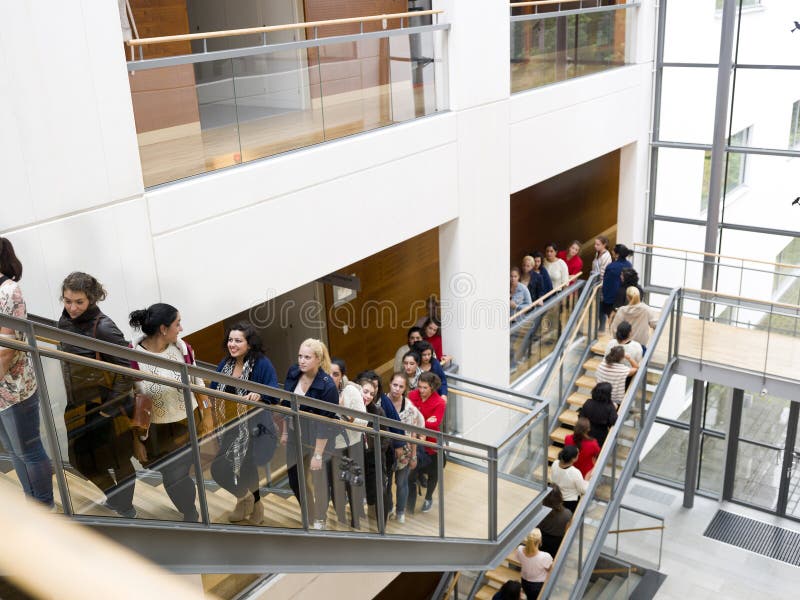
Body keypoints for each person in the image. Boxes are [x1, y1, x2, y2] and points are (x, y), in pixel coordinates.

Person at [58, 272, 136, 517]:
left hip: (107, 405)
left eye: (78, 302)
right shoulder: (64, 321)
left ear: (91, 299)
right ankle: (115, 497)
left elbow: (128, 368)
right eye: (67, 300)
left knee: (119, 458)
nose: (72, 307)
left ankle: (126, 507)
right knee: (79, 460)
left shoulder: (103, 326)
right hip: (78, 404)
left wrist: (109, 407)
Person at [129, 303, 214, 522]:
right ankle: (190, 510)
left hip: (187, 423)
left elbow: (197, 382)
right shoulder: (133, 358)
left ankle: (190, 513)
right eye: (178, 324)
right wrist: (137, 440)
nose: (181, 329)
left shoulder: (183, 350)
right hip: (157, 430)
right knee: (170, 474)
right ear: (163, 329)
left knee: (176, 477)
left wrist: (207, 414)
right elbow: (134, 402)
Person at [0, 238, 54, 507]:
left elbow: (7, 349)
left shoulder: (9, 291)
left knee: (29, 451)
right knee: (14, 451)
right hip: (2, 391)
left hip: (15, 388)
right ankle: (31, 503)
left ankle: (45, 506)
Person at [209, 322, 279, 525]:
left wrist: (260, 394)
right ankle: (245, 499)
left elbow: (274, 390)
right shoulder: (226, 364)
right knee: (219, 470)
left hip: (253, 427)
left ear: (249, 344)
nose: (232, 344)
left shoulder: (262, 364)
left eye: (238, 340)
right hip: (229, 427)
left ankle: (256, 506)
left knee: (247, 469)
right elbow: (213, 388)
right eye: (230, 340)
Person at [280, 339, 339, 530]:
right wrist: (284, 432)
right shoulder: (293, 372)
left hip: (318, 439)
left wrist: (317, 454)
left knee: (319, 480)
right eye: (300, 356)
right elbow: (286, 404)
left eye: (307, 357)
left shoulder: (328, 386)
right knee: (294, 479)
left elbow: (325, 424)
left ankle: (320, 517)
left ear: (318, 359)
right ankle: (310, 512)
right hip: (295, 434)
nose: (302, 361)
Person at [329, 359, 367, 528]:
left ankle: (356, 519)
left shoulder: (350, 391)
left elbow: (364, 421)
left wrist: (345, 414)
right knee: (335, 483)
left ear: (342, 376)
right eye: (328, 373)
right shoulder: (322, 390)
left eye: (335, 374)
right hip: (332, 446)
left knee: (352, 483)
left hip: (352, 444)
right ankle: (341, 518)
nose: (331, 377)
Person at [385, 372, 424, 524]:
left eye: (401, 386)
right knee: (386, 484)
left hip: (404, 452)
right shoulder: (381, 402)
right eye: (395, 385)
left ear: (405, 388)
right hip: (386, 451)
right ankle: (388, 509)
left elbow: (413, 434)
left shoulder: (409, 408)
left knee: (401, 483)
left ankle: (400, 511)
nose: (397, 389)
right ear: (390, 384)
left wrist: (414, 456)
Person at [407, 372, 446, 514]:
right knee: (411, 474)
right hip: (414, 442)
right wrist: (425, 421)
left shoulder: (439, 402)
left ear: (432, 388)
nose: (421, 391)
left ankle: (428, 497)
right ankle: (409, 503)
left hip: (431, 444)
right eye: (420, 387)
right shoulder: (412, 395)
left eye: (425, 388)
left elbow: (435, 423)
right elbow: (408, 415)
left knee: (434, 472)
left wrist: (419, 421)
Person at [355, 375, 391, 522]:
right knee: (363, 492)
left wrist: (377, 451)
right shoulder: (349, 408)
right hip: (356, 457)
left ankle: (382, 524)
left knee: (379, 491)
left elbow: (385, 437)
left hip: (374, 457)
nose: (368, 396)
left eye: (372, 394)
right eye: (365, 392)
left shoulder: (378, 411)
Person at [601, 244, 633, 333]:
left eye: (613, 251)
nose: (612, 252)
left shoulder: (611, 267)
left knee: (613, 321)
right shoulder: (629, 265)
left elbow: (607, 285)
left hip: (612, 299)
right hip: (625, 298)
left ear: (617, 254)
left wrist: (605, 297)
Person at [516, 528, 553, 599]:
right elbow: (550, 569)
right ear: (539, 541)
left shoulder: (520, 549)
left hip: (524, 581)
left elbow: (520, 560)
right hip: (538, 584)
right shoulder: (545, 556)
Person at [549, 445, 588, 513]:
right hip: (569, 502)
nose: (579, 455)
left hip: (556, 497)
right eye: (578, 455)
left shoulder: (555, 463)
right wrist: (587, 482)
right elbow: (583, 490)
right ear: (573, 459)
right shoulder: (575, 472)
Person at [537, 484, 572, 556]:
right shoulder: (567, 514)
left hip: (542, 541)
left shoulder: (540, 513)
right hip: (558, 543)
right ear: (560, 496)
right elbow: (567, 531)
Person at [579, 383, 617, 447]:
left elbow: (581, 416)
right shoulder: (609, 407)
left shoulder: (588, 402)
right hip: (601, 435)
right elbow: (612, 421)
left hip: (587, 431)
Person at [591, 236, 612, 331]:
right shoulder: (597, 253)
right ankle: (599, 326)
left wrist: (600, 285)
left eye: (598, 244)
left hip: (601, 284)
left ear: (604, 245)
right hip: (595, 282)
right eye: (595, 244)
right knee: (597, 305)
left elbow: (603, 273)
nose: (595, 246)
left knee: (601, 306)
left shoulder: (607, 256)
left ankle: (602, 327)